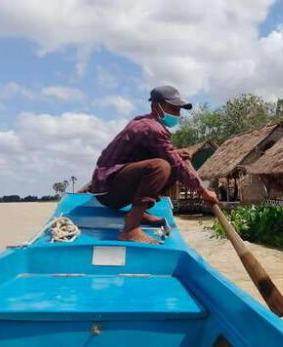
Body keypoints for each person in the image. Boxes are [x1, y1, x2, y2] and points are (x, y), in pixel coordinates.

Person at [89, 85, 218, 244]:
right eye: (173, 109)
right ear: (156, 106)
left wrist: (176, 153)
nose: (177, 115)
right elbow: (175, 164)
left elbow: (155, 154)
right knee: (161, 167)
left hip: (113, 187)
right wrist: (202, 191)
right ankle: (130, 229)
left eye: (179, 110)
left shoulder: (145, 122)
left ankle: (139, 212)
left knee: (169, 163)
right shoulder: (152, 128)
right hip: (107, 191)